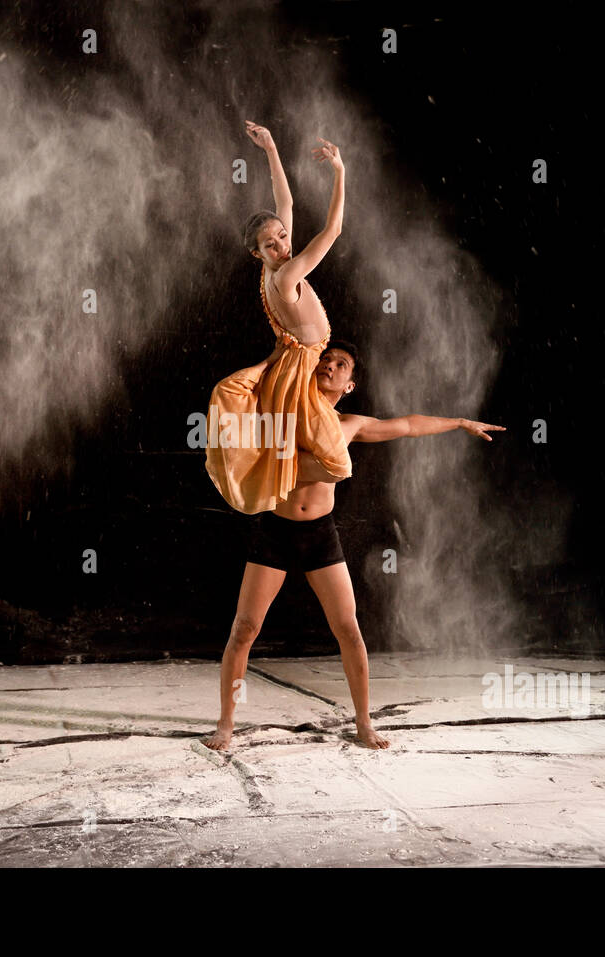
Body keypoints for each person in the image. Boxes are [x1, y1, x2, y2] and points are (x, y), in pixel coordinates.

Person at [202, 341, 506, 750]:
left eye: (341, 364)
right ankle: (226, 723)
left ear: (350, 384)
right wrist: (275, 358)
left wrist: (458, 422)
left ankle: (364, 723)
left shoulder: (350, 424)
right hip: (275, 529)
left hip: (319, 534)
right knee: (245, 628)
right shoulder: (285, 411)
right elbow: (240, 401)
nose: (330, 365)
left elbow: (408, 425)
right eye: (325, 359)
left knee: (348, 629)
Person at [204, 120, 351, 514]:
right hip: (299, 367)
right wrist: (340, 172)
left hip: (297, 357)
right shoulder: (286, 275)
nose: (284, 245)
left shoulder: (276, 264)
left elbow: (282, 204)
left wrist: (270, 149)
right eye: (271, 245)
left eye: (283, 237)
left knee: (316, 449)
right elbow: (333, 230)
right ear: (257, 254)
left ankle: (278, 467)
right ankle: (277, 472)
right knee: (337, 464)